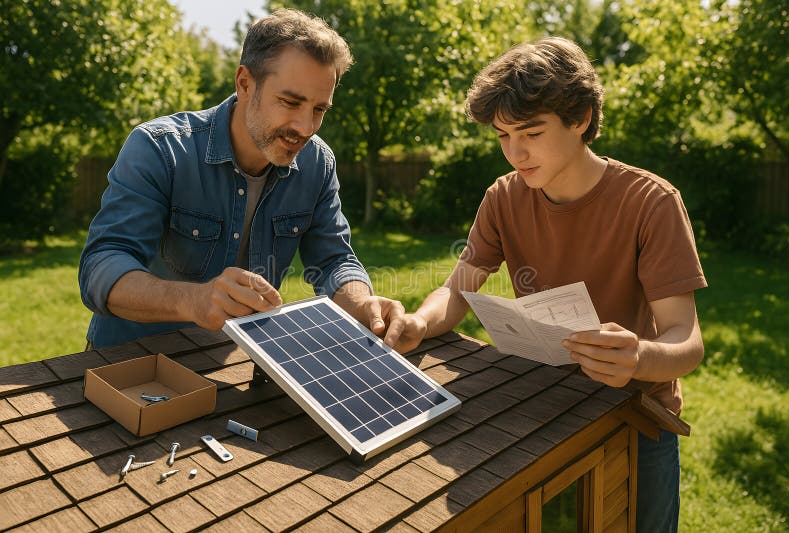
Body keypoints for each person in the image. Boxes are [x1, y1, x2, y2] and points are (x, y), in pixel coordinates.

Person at [396, 37, 706, 532]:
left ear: (580, 117)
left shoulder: (651, 202)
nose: (514, 153)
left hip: (635, 416)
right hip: (541, 406)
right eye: (502, 137)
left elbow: (686, 341)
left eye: (531, 133)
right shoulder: (503, 197)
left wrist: (639, 358)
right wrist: (418, 322)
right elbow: (457, 290)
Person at [79, 8, 407, 350]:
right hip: (128, 363)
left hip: (233, 362)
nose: (305, 127)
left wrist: (360, 302)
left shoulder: (318, 164)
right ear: (245, 83)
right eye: (290, 102)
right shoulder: (160, 149)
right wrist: (193, 300)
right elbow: (101, 267)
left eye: (319, 110)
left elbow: (334, 260)